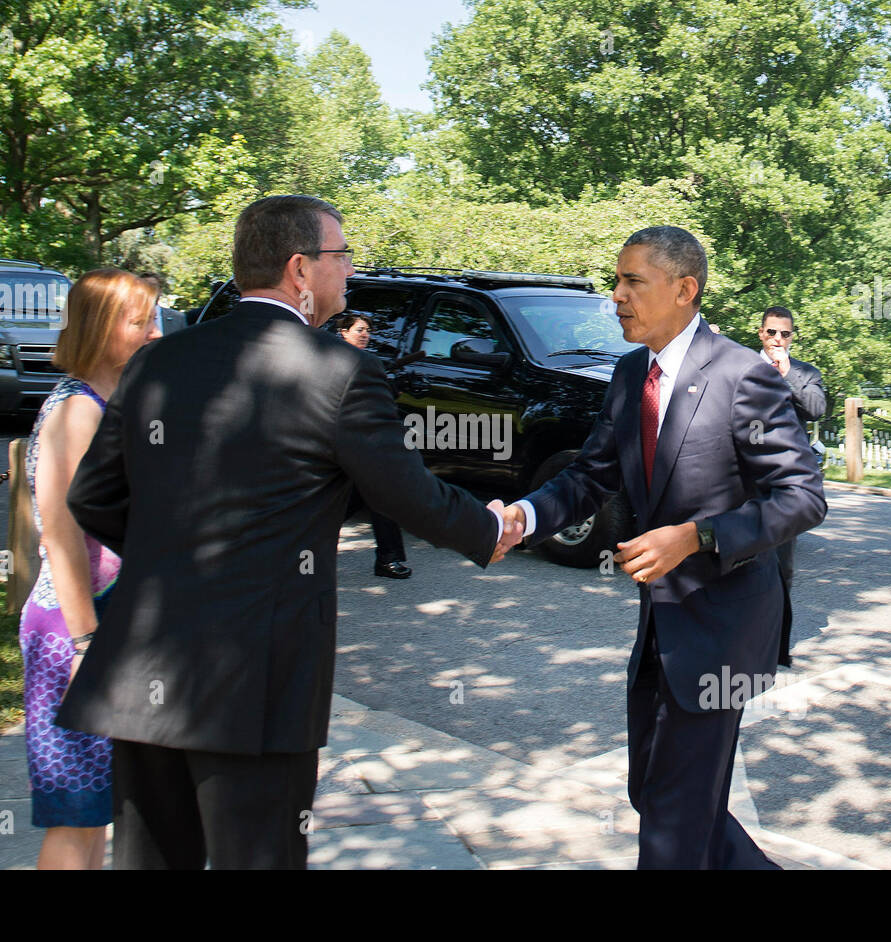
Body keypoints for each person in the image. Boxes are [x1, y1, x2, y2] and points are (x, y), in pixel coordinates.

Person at [57, 194, 521, 869]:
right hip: (254, 682)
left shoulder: (158, 362)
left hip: (141, 670)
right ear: (300, 269)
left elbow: (93, 497)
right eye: (342, 256)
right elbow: (406, 494)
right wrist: (487, 527)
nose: (351, 271)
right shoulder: (341, 372)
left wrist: (177, 559)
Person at [499, 227, 826, 868]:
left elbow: (802, 496)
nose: (616, 296)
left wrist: (698, 536)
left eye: (632, 283)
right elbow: (591, 476)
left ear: (684, 290)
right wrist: (523, 515)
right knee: (656, 792)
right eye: (615, 281)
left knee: (674, 822)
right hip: (660, 625)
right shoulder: (628, 375)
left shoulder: (745, 376)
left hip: (723, 629)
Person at [19, 269, 161, 869]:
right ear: (103, 330)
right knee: (78, 816)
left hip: (104, 625)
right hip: (71, 631)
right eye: (140, 322)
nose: (156, 332)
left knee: (96, 813)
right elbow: (59, 532)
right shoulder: (78, 409)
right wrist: (84, 643)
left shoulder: (112, 403)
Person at [757, 306, 828, 654]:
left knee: (781, 567)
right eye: (771, 333)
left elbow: (816, 408)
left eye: (785, 334)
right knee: (732, 559)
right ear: (761, 334)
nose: (777, 340)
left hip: (784, 482)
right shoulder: (741, 365)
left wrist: (786, 372)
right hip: (742, 477)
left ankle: (775, 647)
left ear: (792, 337)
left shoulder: (805, 373)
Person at [335, 311, 411, 578]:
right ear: (343, 332)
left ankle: (388, 559)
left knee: (376, 497)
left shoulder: (368, 361)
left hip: (366, 445)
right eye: (359, 330)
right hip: (340, 445)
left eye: (367, 330)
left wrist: (392, 390)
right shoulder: (333, 359)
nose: (365, 334)